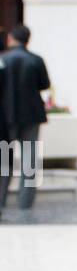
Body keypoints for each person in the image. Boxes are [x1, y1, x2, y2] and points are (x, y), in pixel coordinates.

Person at [0, 24, 50, 215]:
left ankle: (2, 198)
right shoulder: (36, 60)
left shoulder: (3, 59)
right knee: (29, 160)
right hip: (31, 115)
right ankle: (25, 201)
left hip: (7, 115)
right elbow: (44, 84)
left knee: (5, 158)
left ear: (11, 38)